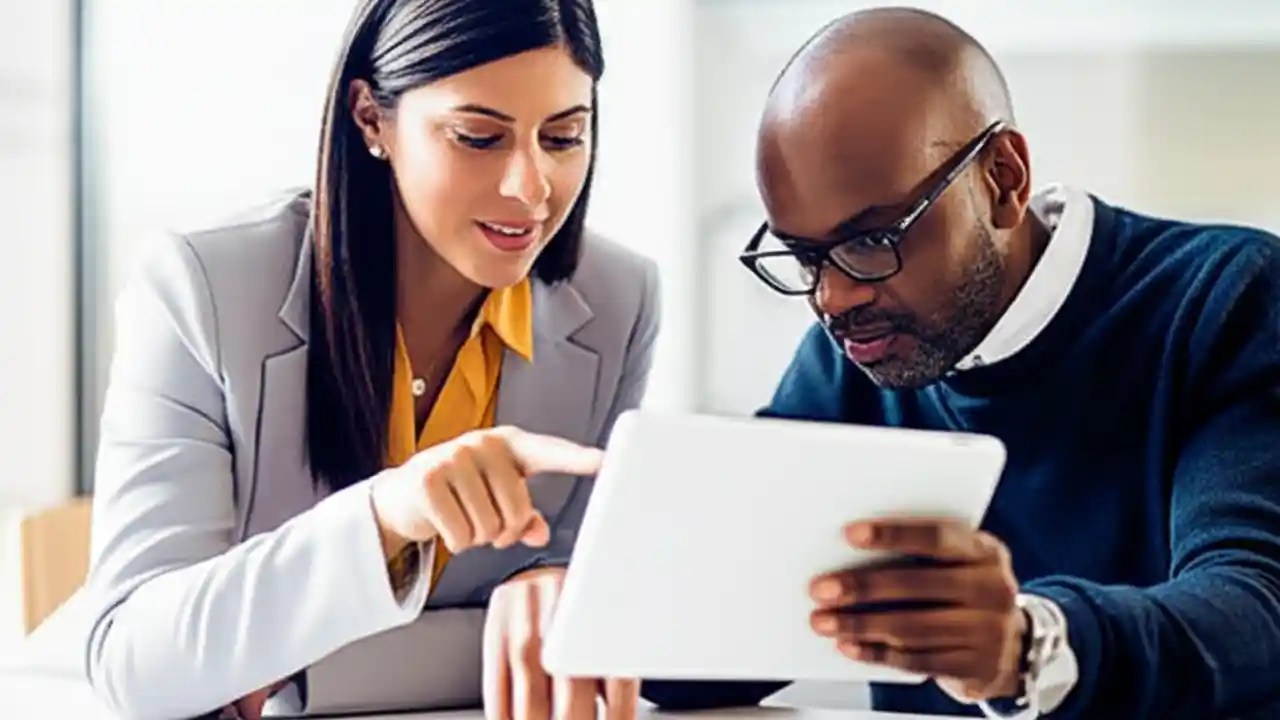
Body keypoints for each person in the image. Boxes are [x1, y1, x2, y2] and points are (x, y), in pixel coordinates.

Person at [643, 7, 1280, 719]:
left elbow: (1257, 606)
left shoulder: (1229, 299)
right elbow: (703, 655)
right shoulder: (850, 360)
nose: (832, 297)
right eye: (804, 257)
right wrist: (571, 591)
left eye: (871, 240)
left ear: (1003, 179)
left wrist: (1026, 647)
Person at [78, 1, 657, 718]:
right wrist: (389, 514)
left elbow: (591, 628)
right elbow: (135, 663)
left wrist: (289, 664)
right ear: (370, 118)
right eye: (479, 137)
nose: (531, 188)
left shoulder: (621, 300)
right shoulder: (203, 287)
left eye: (564, 136)